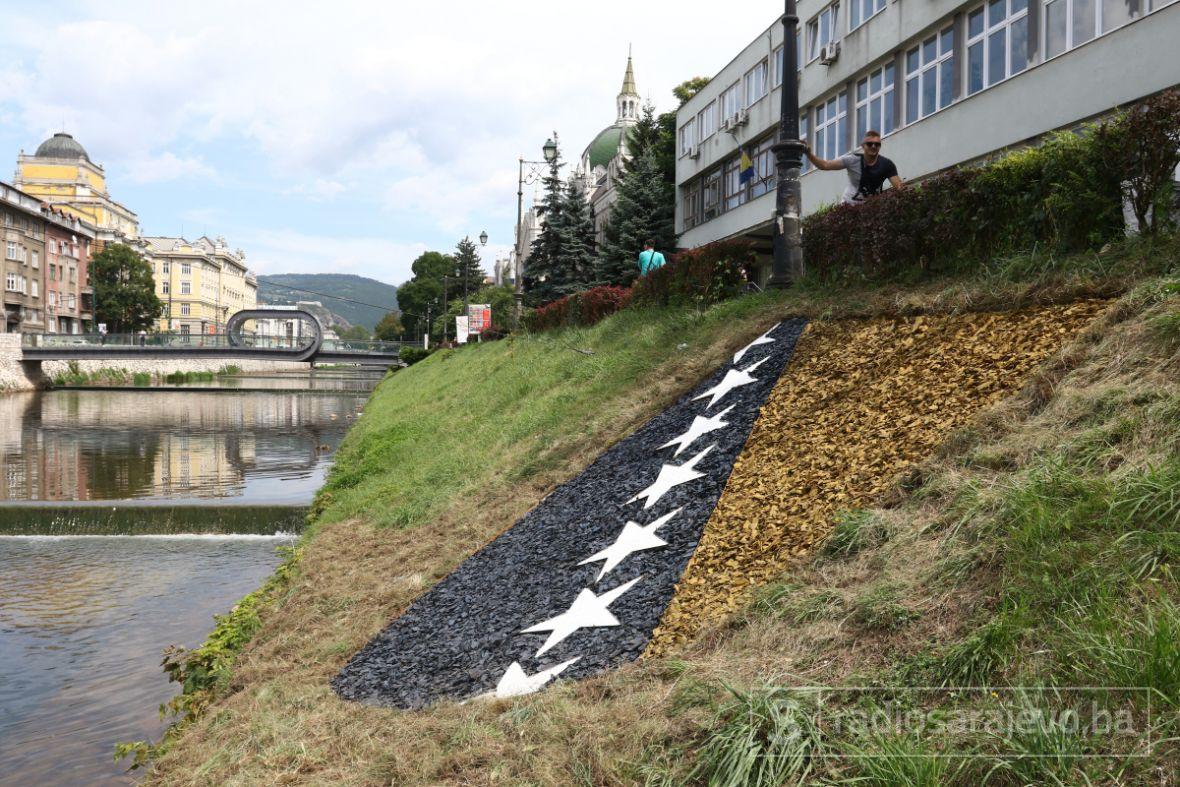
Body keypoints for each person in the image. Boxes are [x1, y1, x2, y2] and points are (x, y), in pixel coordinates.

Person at [804, 130, 903, 205]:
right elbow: (825, 165)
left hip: (871, 208)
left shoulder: (887, 164)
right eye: (869, 144)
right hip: (848, 206)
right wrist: (809, 154)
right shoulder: (852, 160)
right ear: (863, 146)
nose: (873, 146)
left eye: (877, 144)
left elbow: (899, 188)